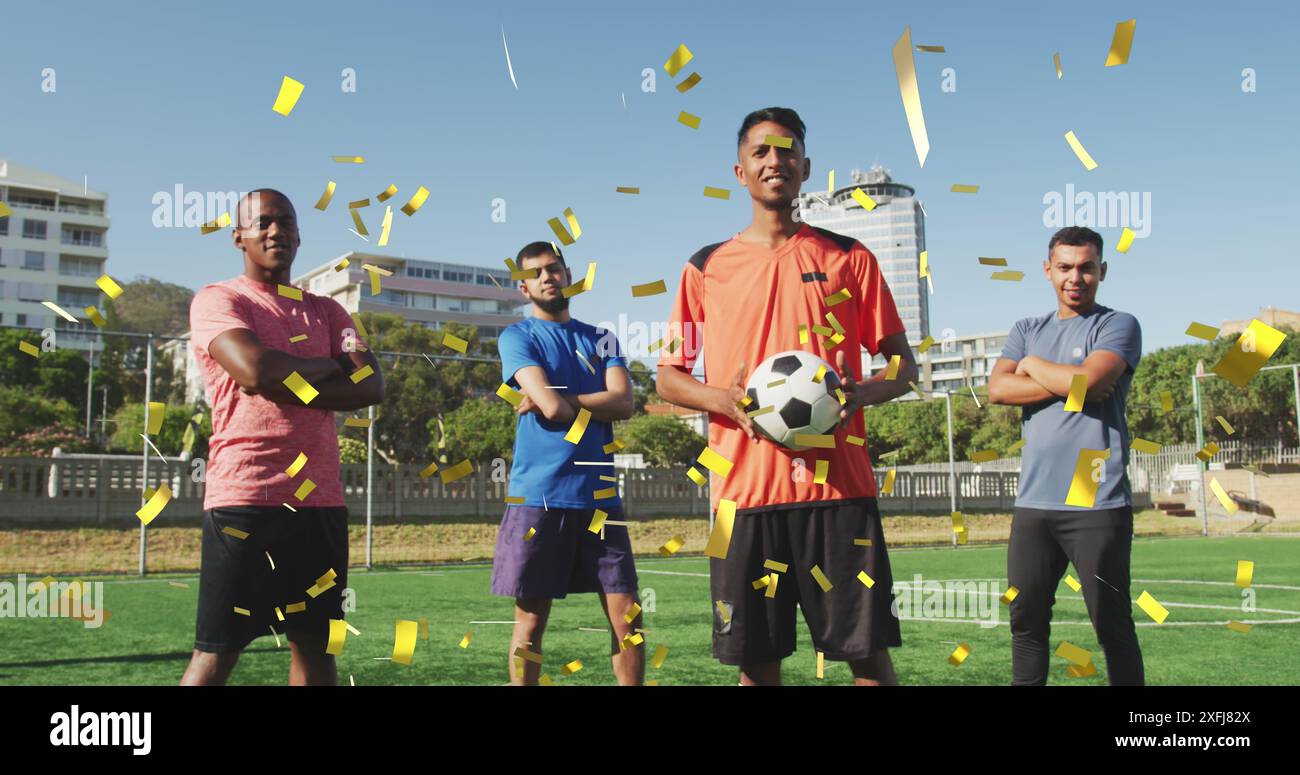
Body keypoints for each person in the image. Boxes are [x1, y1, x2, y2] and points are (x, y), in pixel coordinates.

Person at [655, 107, 918, 685]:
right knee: (756, 663)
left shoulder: (850, 258)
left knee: (866, 652)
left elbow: (904, 367)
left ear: (805, 167)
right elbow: (668, 378)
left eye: (787, 150)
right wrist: (724, 401)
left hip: (840, 491)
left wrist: (859, 394)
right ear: (740, 170)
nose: (775, 160)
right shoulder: (705, 268)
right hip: (740, 498)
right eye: (761, 152)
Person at [182, 189, 384, 685]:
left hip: (319, 504)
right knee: (217, 653)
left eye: (286, 222)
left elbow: (371, 385)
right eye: (263, 222)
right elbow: (253, 370)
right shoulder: (219, 299)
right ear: (238, 237)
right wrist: (326, 367)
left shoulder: (330, 312)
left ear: (299, 234)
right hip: (246, 498)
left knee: (317, 649)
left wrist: (287, 380)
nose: (276, 231)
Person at [988, 225, 1144, 686]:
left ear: (1102, 271)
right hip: (1034, 497)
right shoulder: (1026, 329)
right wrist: (1068, 378)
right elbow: (998, 388)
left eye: (1086, 267)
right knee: (1026, 621)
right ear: (1047, 270)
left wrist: (1032, 366)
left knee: (1111, 625)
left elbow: (1092, 385)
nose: (1075, 277)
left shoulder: (1118, 324)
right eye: (1064, 267)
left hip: (1092, 485)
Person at [491, 241, 642, 685]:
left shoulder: (603, 337)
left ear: (568, 273)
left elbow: (624, 402)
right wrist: (568, 403)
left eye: (554, 268)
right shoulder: (517, 337)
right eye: (536, 273)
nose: (547, 277)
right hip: (538, 498)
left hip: (600, 500)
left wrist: (557, 399)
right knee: (531, 624)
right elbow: (557, 410)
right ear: (523, 287)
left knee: (628, 621)